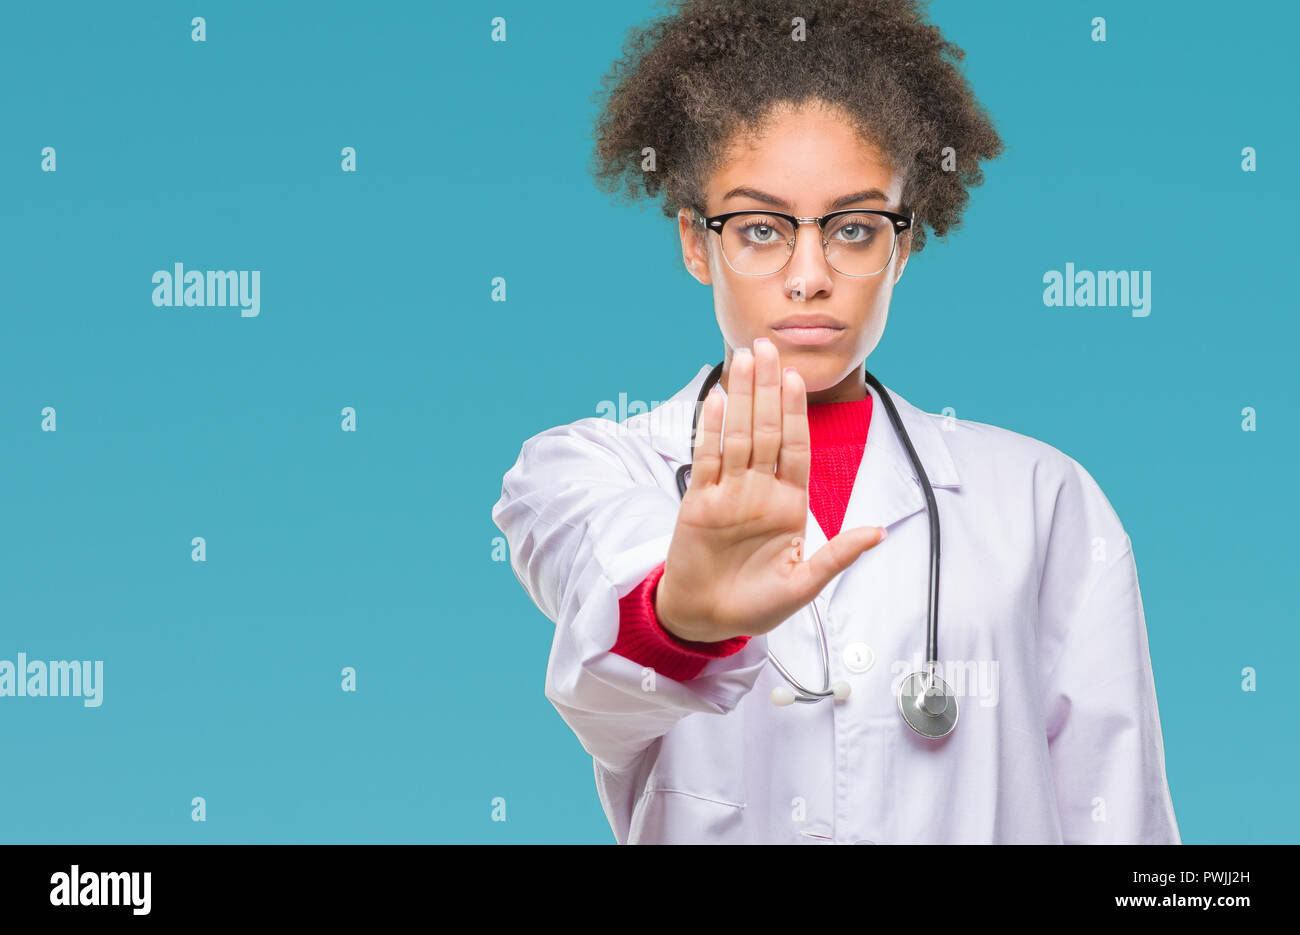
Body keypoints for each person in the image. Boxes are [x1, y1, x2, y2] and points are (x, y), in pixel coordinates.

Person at [491, 0, 1179, 844]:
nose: (809, 275)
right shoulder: (587, 467)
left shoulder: (1043, 496)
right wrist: (679, 617)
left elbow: (1124, 822)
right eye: (760, 229)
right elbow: (602, 695)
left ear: (905, 242)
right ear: (695, 243)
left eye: (854, 229)